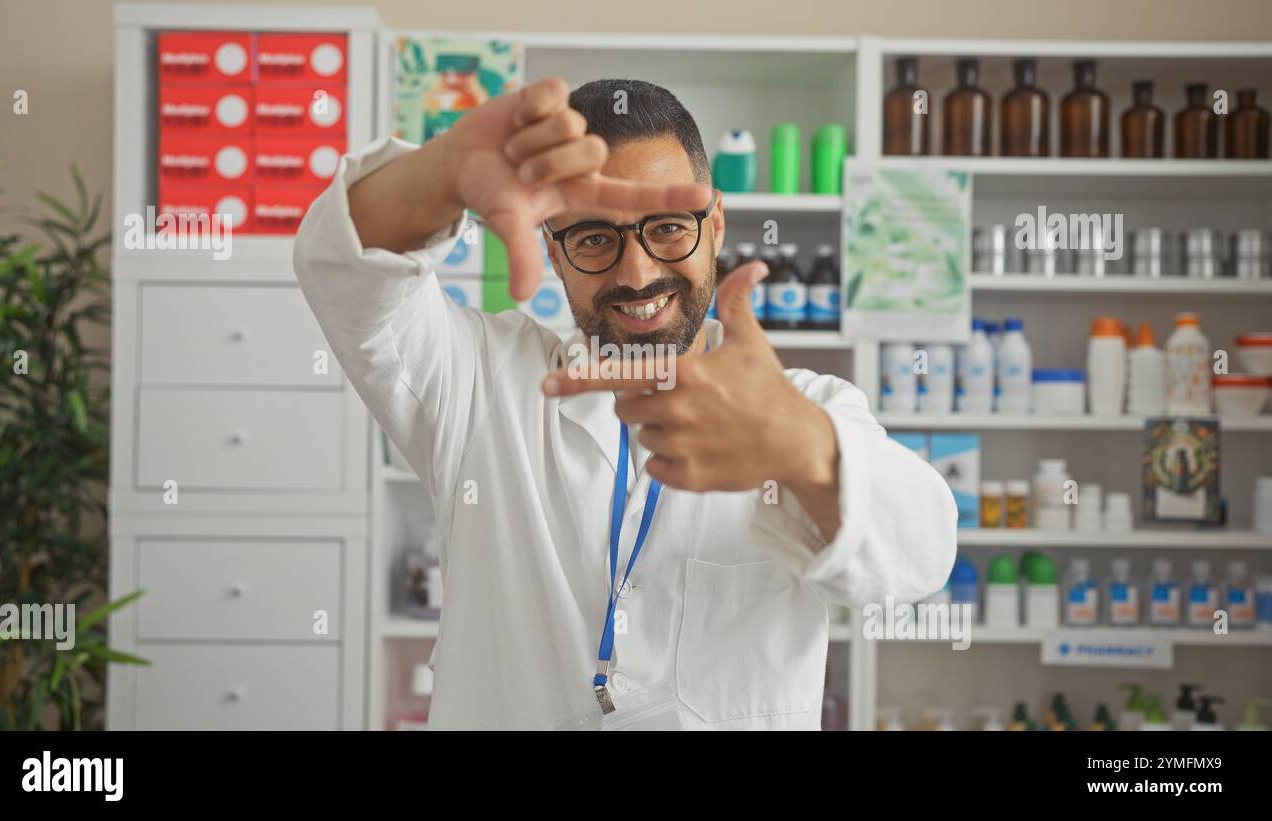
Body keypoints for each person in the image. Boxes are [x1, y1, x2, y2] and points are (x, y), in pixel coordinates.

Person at [294, 77, 957, 730]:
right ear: (554, 253)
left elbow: (921, 555)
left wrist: (800, 444)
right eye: (593, 239)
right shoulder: (483, 383)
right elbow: (344, 274)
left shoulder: (810, 408)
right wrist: (440, 171)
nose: (636, 273)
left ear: (715, 224)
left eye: (667, 228)